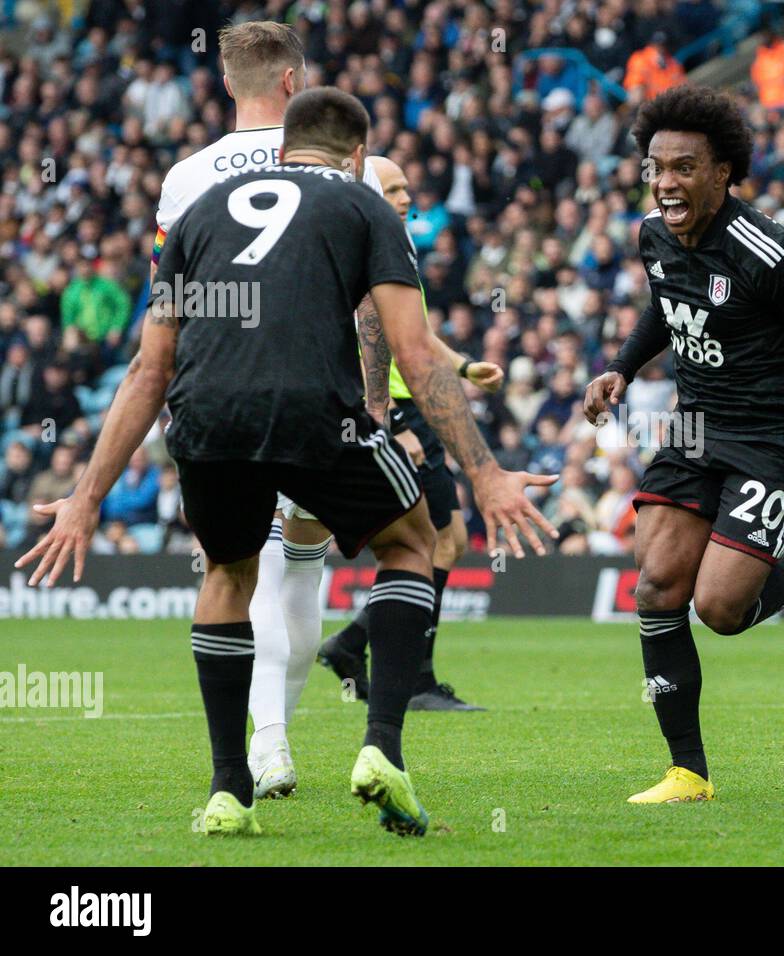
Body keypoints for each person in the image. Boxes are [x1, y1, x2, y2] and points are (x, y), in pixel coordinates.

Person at [19, 87, 557, 838]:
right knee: (412, 542)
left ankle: (228, 789)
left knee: (227, 573)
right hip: (316, 415)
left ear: (280, 150)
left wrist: (84, 497)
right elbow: (412, 350)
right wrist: (486, 472)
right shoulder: (367, 206)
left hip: (206, 416)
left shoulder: (203, 209)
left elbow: (149, 369)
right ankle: (382, 751)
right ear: (359, 155)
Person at [582, 86, 784, 804]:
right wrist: (622, 367)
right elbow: (666, 306)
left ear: (723, 173)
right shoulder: (653, 234)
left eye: (684, 168)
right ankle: (687, 772)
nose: (665, 182)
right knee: (655, 584)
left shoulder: (771, 253)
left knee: (719, 611)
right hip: (695, 427)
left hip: (774, 439)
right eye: (657, 167)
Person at [150, 21, 391, 800]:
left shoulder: (187, 176)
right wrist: (376, 402)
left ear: (229, 82)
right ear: (295, 83)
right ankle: (275, 746)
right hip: (318, 395)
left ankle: (265, 754)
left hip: (217, 395)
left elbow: (171, 306)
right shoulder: (350, 169)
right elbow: (373, 311)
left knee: (239, 572)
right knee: (303, 572)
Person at [318, 155, 504, 712]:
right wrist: (387, 424)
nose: (406, 198)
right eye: (393, 188)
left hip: (412, 405)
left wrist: (466, 367)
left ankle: (356, 645)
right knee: (433, 540)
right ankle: (409, 676)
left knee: (445, 540)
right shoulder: (363, 254)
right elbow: (369, 343)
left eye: (406, 187)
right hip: (394, 409)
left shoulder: (391, 249)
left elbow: (417, 336)